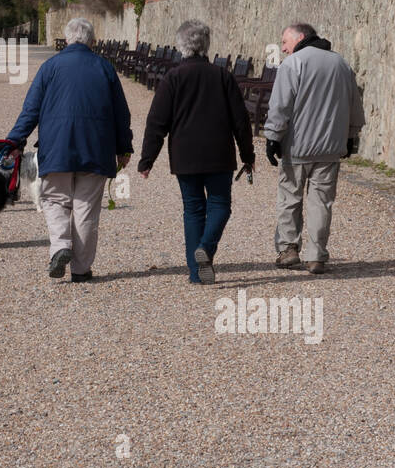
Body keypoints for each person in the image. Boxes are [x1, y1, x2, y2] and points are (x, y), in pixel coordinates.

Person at [6, 17, 133, 282]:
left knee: (54, 199)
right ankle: (81, 270)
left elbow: (31, 109)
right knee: (86, 208)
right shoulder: (105, 68)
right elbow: (121, 113)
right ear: (92, 41)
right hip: (96, 149)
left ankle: (61, 246)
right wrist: (124, 147)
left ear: (66, 39)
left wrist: (15, 142)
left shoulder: (50, 67)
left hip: (56, 147)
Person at [137, 20, 255, 285]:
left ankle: (195, 271)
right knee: (220, 205)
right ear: (206, 45)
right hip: (218, 154)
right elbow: (240, 121)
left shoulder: (173, 78)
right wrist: (248, 155)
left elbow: (157, 122)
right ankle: (206, 248)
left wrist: (147, 160)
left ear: (180, 46)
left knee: (192, 210)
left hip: (185, 155)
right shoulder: (223, 76)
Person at [263, 22, 365, 274]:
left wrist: (273, 137)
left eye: (285, 42)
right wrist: (351, 136)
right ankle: (316, 255)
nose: (284, 48)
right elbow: (355, 104)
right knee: (321, 202)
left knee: (290, 198)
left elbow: (280, 105)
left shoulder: (293, 64)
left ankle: (288, 249)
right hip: (330, 148)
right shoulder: (341, 64)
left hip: (297, 147)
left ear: (299, 37)